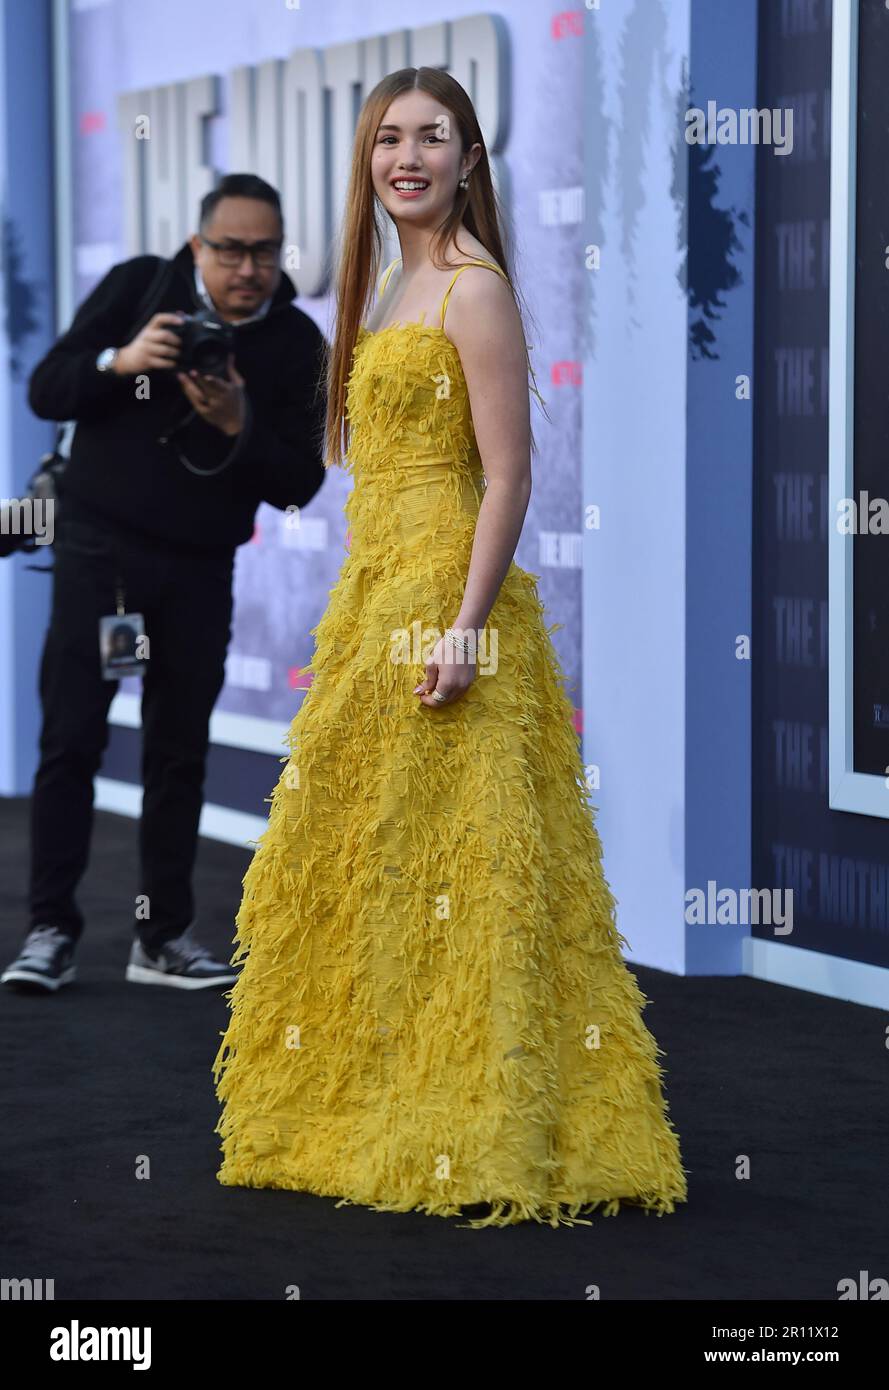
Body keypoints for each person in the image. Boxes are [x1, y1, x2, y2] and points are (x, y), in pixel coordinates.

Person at [212, 72, 688, 1228]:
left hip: (446, 607)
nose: (406, 156)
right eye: (389, 138)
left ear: (470, 157)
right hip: (375, 600)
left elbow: (512, 477)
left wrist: (465, 629)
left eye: (432, 136)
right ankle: (375, 1096)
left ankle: (480, 1114)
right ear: (368, 160)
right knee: (377, 861)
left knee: (470, 877)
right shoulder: (387, 288)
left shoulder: (473, 288)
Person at [1, 174, 328, 994]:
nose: (247, 267)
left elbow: (297, 485)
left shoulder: (291, 344)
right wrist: (121, 360)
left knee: (178, 754)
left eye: (262, 251)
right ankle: (50, 932)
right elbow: (48, 386)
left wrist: (236, 424)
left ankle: (163, 937)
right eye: (229, 249)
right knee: (71, 741)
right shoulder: (141, 287)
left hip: (197, 571)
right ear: (197, 247)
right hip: (101, 560)